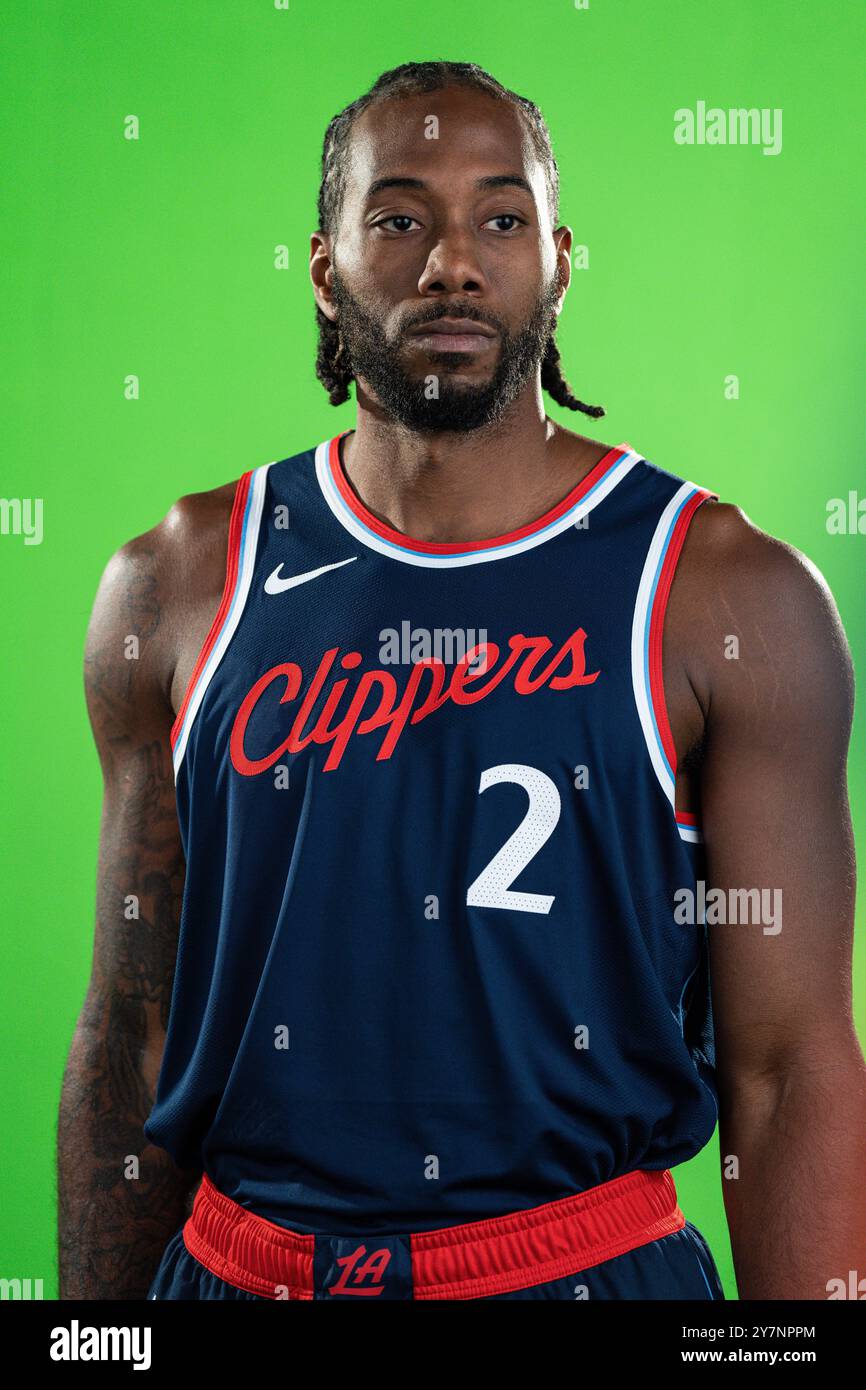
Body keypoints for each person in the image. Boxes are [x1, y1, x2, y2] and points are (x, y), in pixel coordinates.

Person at [58, 61, 864, 1301]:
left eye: (502, 217)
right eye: (398, 218)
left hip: (581, 1270)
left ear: (556, 259)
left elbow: (787, 1064)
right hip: (242, 1270)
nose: (453, 260)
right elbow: (130, 1030)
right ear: (325, 269)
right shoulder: (176, 581)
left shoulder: (724, 592)